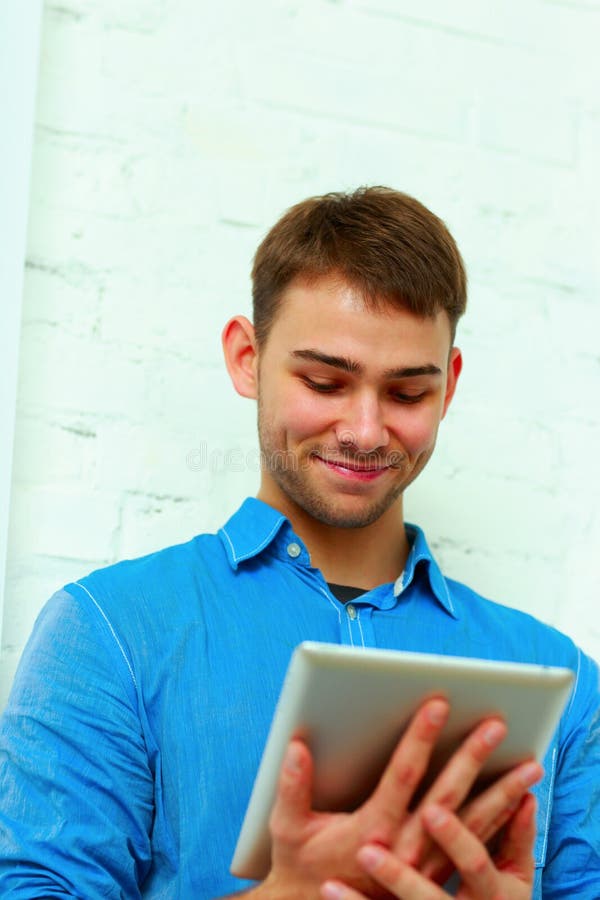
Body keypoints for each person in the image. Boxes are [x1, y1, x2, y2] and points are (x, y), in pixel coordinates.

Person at [0, 187, 598, 899]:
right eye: (325, 381)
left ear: (449, 387)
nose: (366, 431)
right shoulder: (110, 635)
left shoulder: (563, 681)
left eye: (408, 393)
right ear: (246, 358)